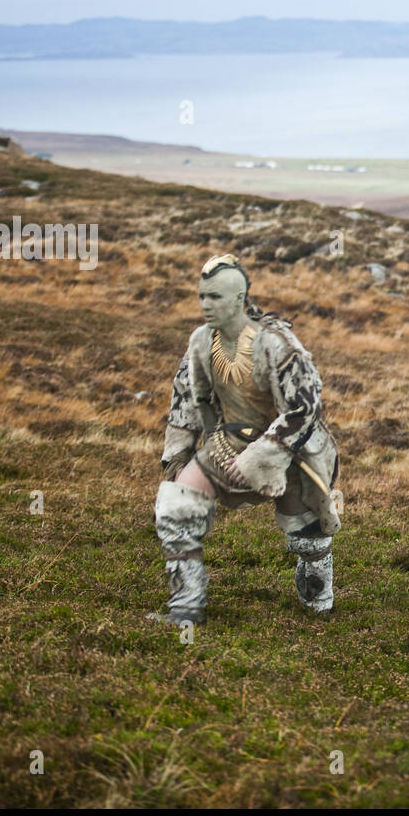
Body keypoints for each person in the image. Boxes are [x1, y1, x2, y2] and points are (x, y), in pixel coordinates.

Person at [149, 254, 341, 626]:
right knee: (176, 509)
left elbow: (303, 410)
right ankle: (186, 607)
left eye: (216, 296)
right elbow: (187, 400)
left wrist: (260, 459)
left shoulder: (278, 344)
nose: (206, 304)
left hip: (292, 453)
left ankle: (319, 597)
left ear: (239, 298)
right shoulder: (201, 342)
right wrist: (178, 457)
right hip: (226, 445)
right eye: (202, 296)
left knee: (307, 538)